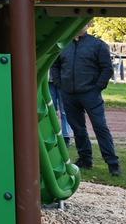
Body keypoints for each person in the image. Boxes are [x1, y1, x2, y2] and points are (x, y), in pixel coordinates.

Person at [51, 25, 120, 176]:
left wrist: (97, 87)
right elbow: (55, 65)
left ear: (88, 25)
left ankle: (112, 163)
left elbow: (107, 68)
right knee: (78, 129)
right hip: (69, 93)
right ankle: (85, 159)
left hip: (90, 94)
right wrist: (60, 84)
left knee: (100, 127)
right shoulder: (63, 44)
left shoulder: (97, 45)